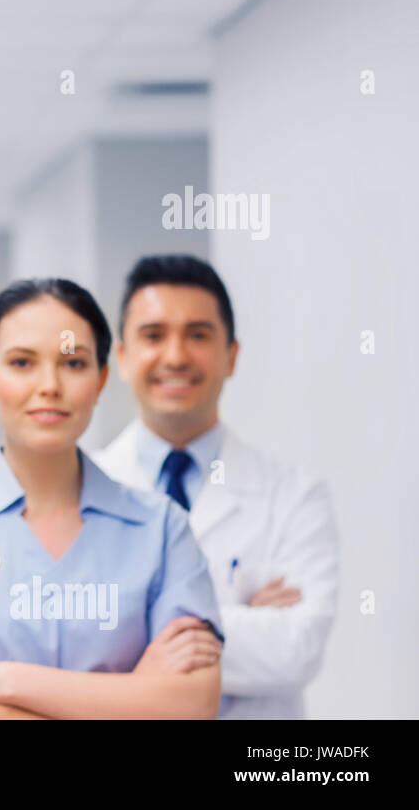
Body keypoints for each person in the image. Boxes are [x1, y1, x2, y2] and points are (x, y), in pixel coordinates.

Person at [94, 255, 338, 719]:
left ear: (232, 356)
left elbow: (298, 649)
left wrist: (134, 622)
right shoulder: (81, 489)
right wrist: (241, 617)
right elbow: (70, 646)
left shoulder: (296, 495)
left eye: (198, 335)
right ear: (122, 356)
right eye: (153, 335)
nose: (175, 356)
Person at [0, 278, 224, 719]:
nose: (49, 384)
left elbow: (192, 705)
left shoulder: (162, 528)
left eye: (73, 363)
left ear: (102, 379)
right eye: (22, 362)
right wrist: (134, 695)